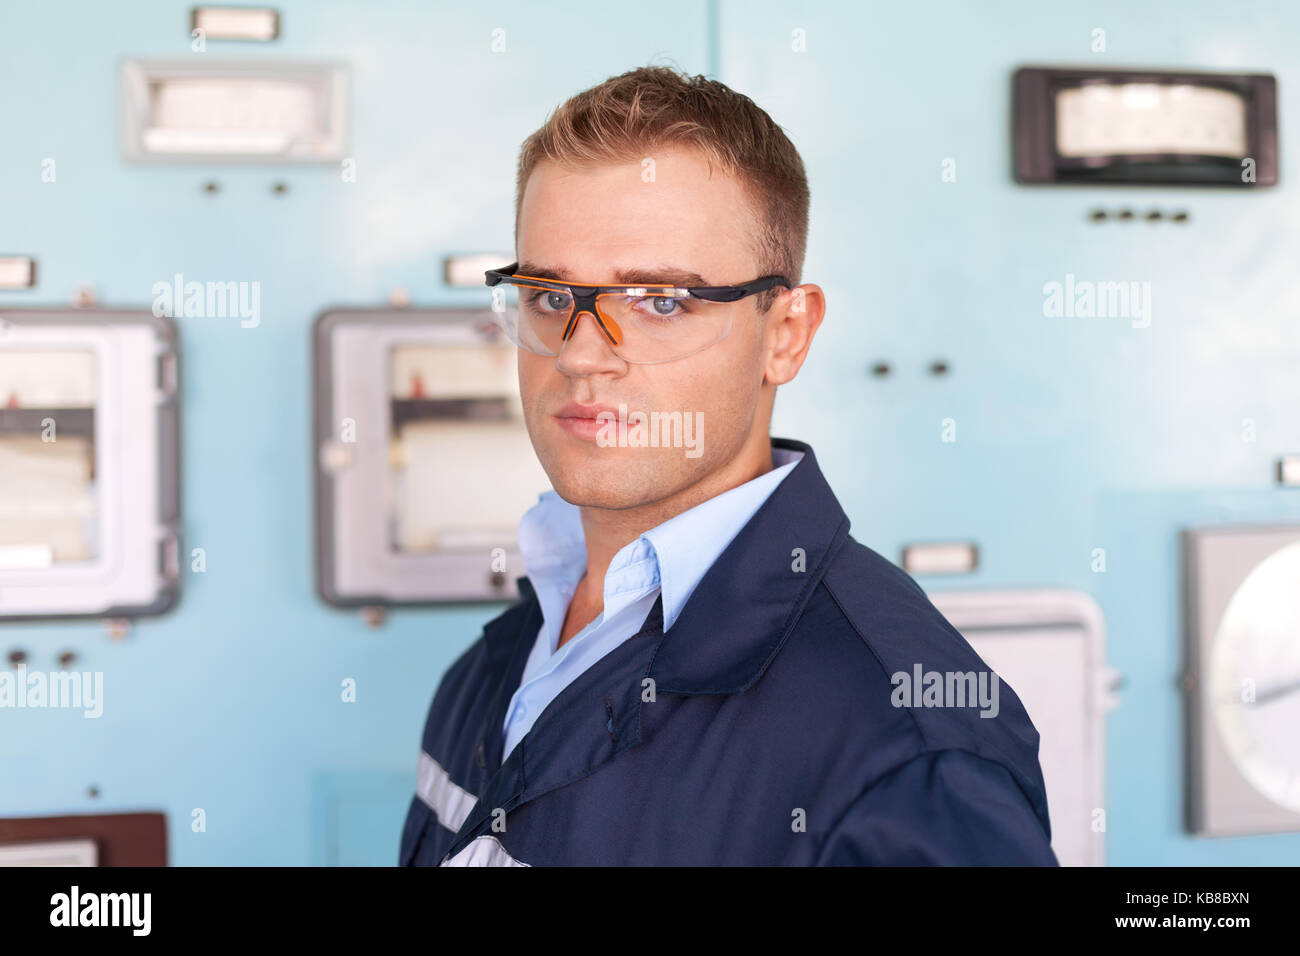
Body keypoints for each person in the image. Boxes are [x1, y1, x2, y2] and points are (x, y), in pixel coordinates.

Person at [400, 64, 1057, 866]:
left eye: (660, 302)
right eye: (549, 295)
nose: (580, 357)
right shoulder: (496, 665)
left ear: (785, 333)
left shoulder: (906, 759)